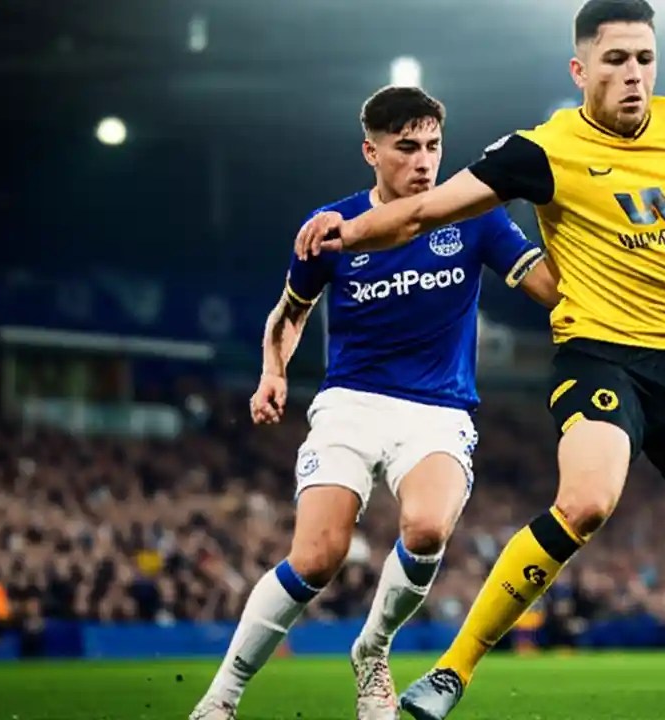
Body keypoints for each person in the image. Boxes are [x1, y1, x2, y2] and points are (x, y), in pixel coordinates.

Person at [294, 2, 665, 718]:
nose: (634, 75)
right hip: (601, 354)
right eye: (615, 61)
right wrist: (350, 231)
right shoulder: (542, 149)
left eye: (645, 59)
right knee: (585, 502)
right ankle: (451, 672)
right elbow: (428, 210)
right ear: (580, 70)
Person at [190, 85, 559, 720]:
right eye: (406, 148)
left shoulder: (476, 216)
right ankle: (220, 698)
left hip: (438, 411)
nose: (424, 162)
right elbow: (289, 313)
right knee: (316, 557)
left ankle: (372, 652)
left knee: (426, 528)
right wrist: (272, 372)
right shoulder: (332, 226)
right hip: (350, 405)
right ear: (371, 152)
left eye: (434, 147)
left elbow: (548, 289)